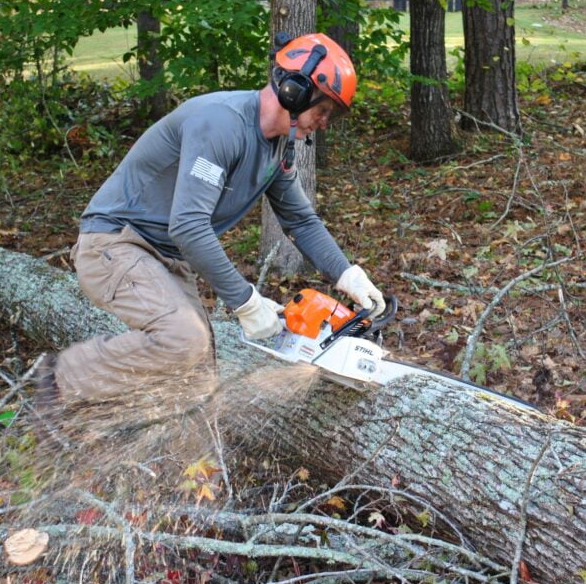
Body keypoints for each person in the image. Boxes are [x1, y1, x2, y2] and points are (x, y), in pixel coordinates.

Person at [36, 32, 385, 407]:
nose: (324, 122)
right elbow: (188, 225)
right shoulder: (222, 123)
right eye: (323, 110)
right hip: (115, 243)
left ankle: (177, 455)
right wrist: (246, 301)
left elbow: (300, 220)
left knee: (198, 372)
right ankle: (57, 381)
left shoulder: (277, 147)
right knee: (183, 339)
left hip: (164, 256)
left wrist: (346, 274)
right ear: (294, 92)